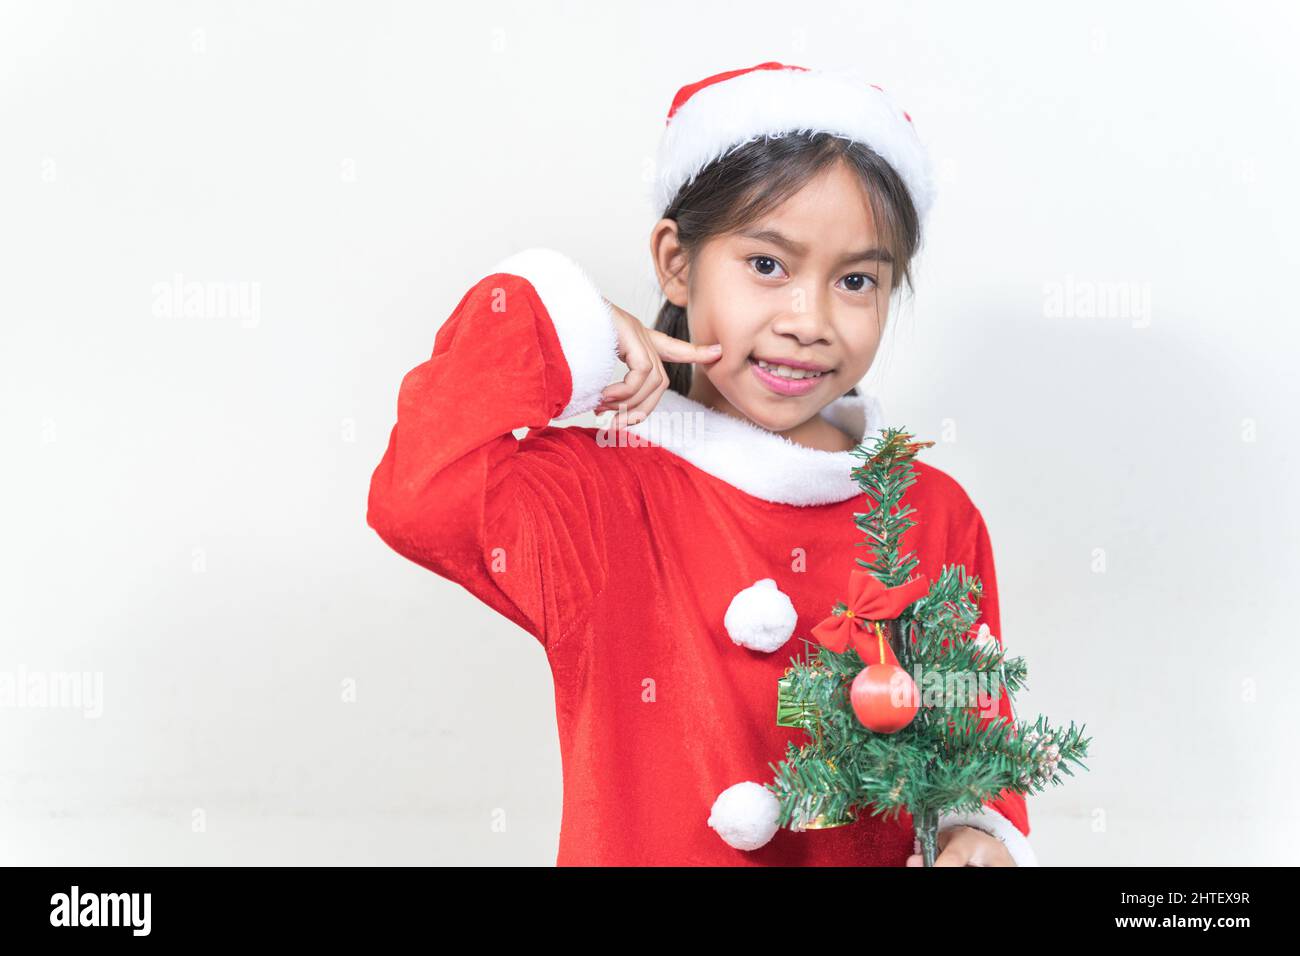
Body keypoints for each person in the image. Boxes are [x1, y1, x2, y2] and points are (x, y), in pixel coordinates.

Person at [366, 61, 1036, 866]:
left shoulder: (932, 510)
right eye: (767, 265)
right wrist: (572, 329)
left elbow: (971, 730)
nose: (809, 321)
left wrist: (979, 831)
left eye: (856, 280)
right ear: (677, 264)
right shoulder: (602, 486)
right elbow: (419, 495)